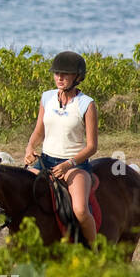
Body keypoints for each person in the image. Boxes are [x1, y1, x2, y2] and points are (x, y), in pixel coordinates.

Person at [23, 51, 98, 243]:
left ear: (78, 77)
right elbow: (39, 132)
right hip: (45, 161)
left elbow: (92, 147)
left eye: (65, 74)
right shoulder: (46, 97)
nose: (59, 78)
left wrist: (68, 164)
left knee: (80, 210)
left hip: (74, 166)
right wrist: (30, 147)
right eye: (57, 73)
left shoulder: (87, 105)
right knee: (19, 193)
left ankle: (93, 250)